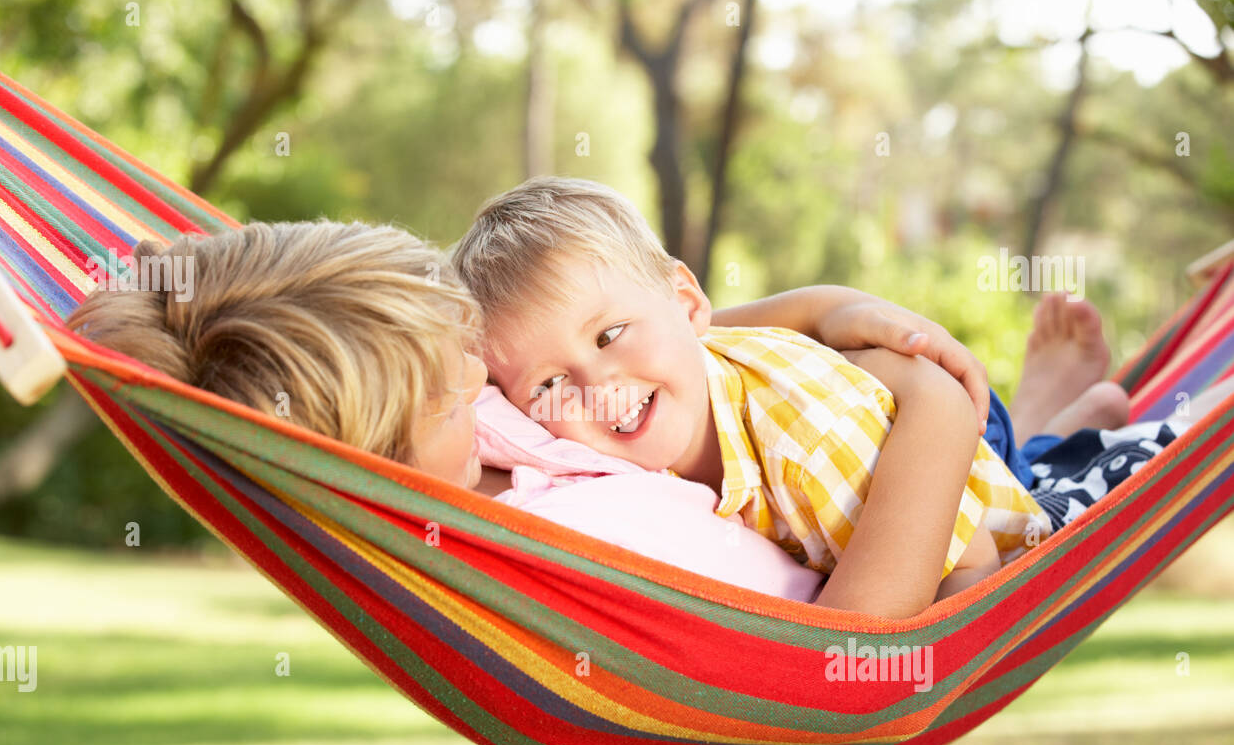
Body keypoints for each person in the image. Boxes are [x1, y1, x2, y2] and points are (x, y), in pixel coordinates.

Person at [64, 219, 1008, 609]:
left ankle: (1035, 411)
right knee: (1030, 469)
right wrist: (929, 400)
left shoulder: (476, 426)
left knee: (1019, 437)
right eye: (452, 382)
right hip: (919, 507)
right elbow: (859, 645)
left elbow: (653, 342)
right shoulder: (555, 545)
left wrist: (818, 313)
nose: (478, 371)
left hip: (854, 444)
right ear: (374, 457)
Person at [450, 176, 1231, 617]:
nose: (598, 386)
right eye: (549, 383)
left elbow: (969, 574)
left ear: (687, 304)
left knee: (1038, 496)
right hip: (898, 423)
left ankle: (1056, 428)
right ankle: (1053, 419)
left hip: (948, 458)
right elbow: (709, 328)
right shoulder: (644, 397)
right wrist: (829, 308)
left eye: (610, 335)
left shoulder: (804, 438)